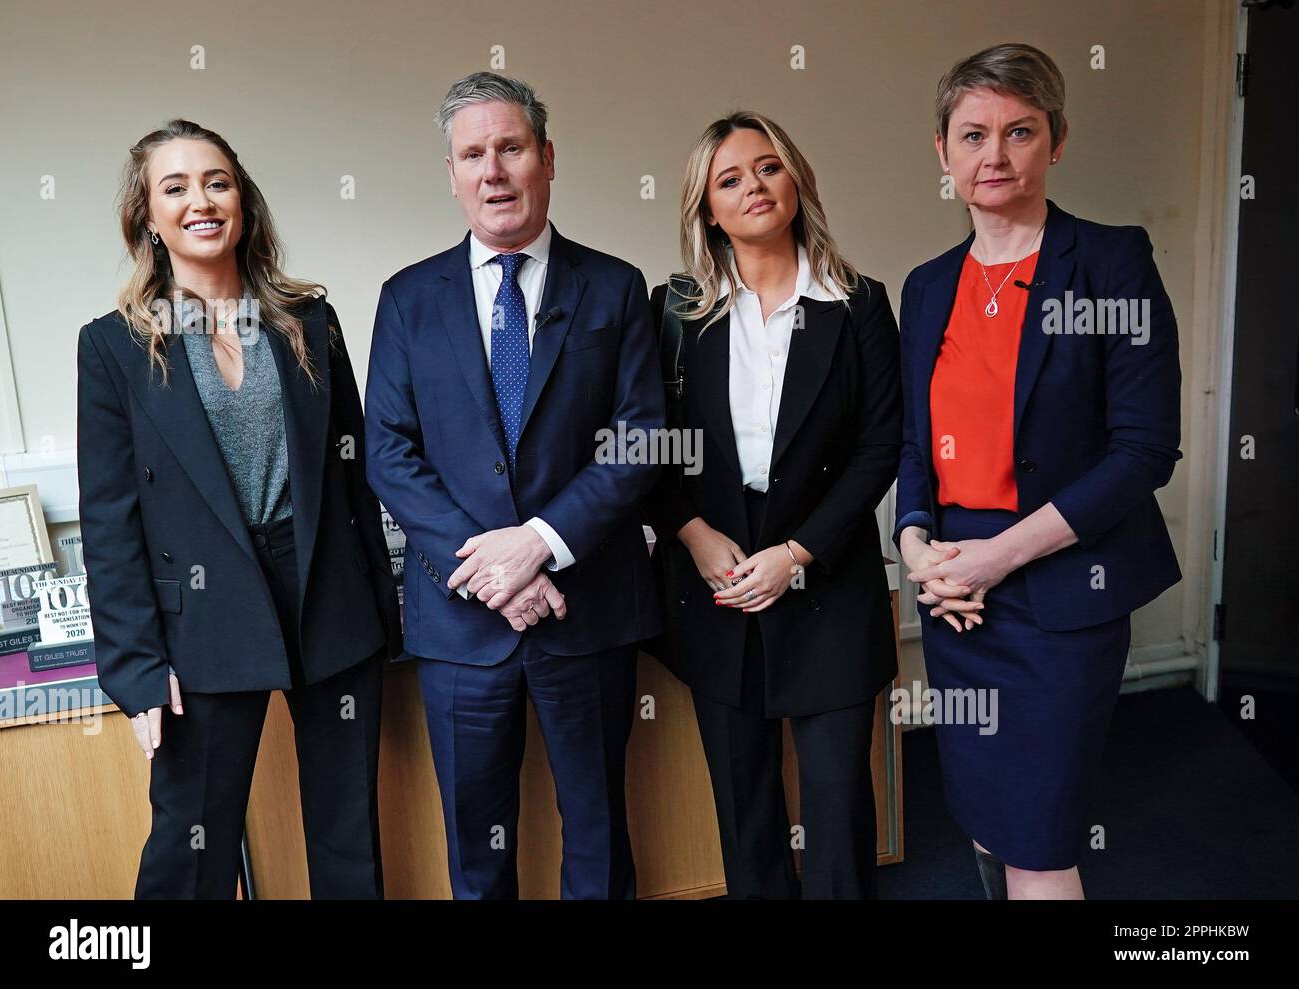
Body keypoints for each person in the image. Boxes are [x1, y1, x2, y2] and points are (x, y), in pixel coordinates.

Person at [77, 119, 401, 899]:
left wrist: (383, 616)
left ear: (243, 203)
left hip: (328, 596)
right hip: (201, 613)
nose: (201, 201)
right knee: (190, 846)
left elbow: (355, 476)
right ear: (147, 217)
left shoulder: (308, 321)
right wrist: (136, 668)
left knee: (348, 830)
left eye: (217, 182)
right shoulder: (115, 347)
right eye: (175, 187)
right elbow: (110, 523)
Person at [364, 72, 664, 899]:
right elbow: (389, 454)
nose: (493, 170)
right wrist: (494, 571)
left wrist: (539, 543)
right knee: (476, 842)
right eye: (472, 154)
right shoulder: (407, 299)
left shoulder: (614, 287)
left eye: (511, 147)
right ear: (452, 174)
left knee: (599, 830)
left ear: (547, 158)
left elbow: (640, 441)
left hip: (588, 608)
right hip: (460, 619)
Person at [894, 44, 1182, 899]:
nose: (995, 156)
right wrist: (914, 545)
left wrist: (999, 556)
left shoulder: (1110, 261)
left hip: (1060, 582)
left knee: (1041, 837)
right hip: (954, 591)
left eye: (1020, 131)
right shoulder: (926, 286)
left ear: (1056, 141)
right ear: (941, 153)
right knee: (983, 816)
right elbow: (915, 442)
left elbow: (1144, 450)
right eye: (972, 134)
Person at [648, 111, 901, 898]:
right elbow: (645, 444)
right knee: (744, 802)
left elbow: (880, 448)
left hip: (827, 578)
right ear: (706, 208)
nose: (752, 187)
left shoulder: (859, 303)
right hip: (715, 582)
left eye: (767, 168)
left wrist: (797, 553)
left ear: (796, 181)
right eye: (729, 178)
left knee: (835, 804)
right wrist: (691, 533)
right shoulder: (674, 310)